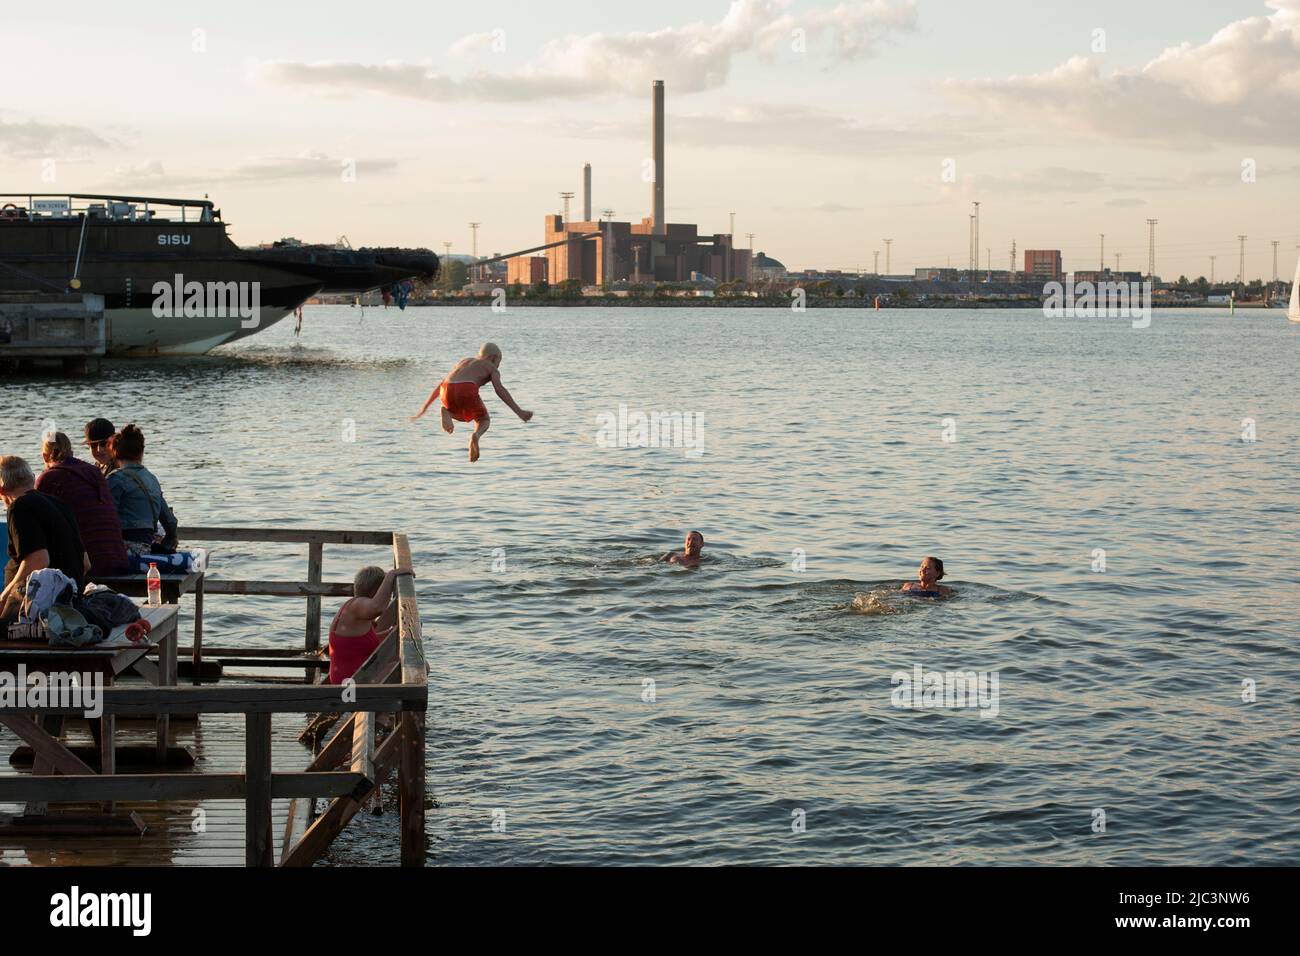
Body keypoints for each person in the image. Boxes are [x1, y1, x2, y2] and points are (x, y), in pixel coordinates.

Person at [0, 456, 90, 622]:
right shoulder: (60, 505)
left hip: (39, 609)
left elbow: (39, 560)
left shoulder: (19, 507)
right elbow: (85, 563)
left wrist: (4, 597)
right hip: (70, 603)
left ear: (1, 490)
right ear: (33, 478)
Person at [410, 342, 533, 462]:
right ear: (493, 358)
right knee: (483, 419)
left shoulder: (463, 362)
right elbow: (499, 390)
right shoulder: (490, 367)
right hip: (467, 387)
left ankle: (448, 412)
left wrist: (424, 408)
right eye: (499, 363)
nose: (498, 366)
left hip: (446, 388)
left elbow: (441, 385)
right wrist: (519, 412)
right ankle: (476, 435)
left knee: (463, 413)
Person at [36, 432, 129, 577]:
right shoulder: (94, 472)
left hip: (90, 564)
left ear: (45, 457)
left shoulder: (48, 479)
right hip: (118, 558)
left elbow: (37, 526)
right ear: (71, 453)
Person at [325, 565, 412, 685]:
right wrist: (390, 576)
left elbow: (364, 642)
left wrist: (395, 632)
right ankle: (403, 702)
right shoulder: (356, 606)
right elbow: (377, 607)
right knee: (412, 667)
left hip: (351, 677)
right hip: (349, 684)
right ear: (375, 589)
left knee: (409, 663)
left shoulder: (355, 609)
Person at [106, 424, 178, 557]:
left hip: (126, 548)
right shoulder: (151, 478)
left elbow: (108, 519)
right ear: (141, 452)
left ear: (114, 452)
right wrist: (168, 543)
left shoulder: (114, 479)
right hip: (147, 545)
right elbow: (170, 522)